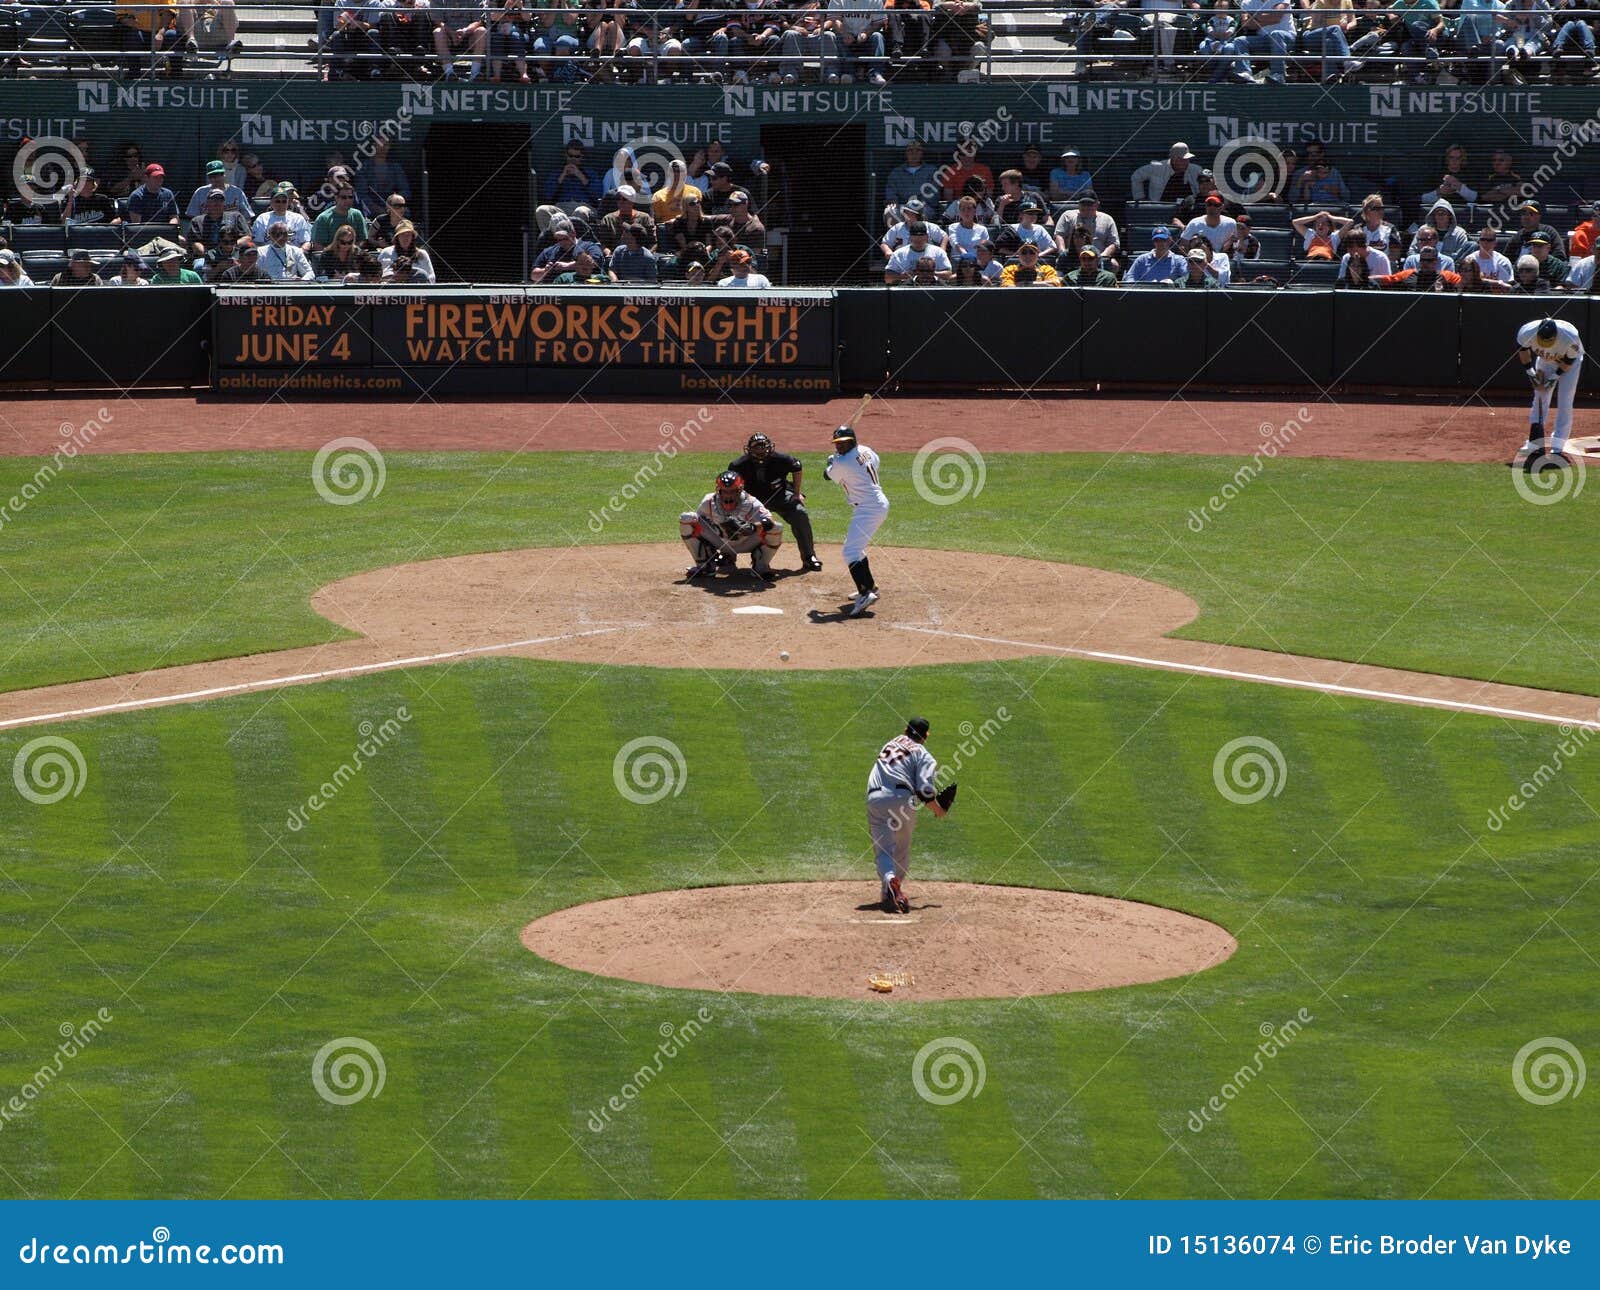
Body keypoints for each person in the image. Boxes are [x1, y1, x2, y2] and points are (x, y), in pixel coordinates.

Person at [865, 717, 946, 915]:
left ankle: (890, 889)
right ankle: (893, 889)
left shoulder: (891, 743)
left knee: (884, 852)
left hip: (875, 798)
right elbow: (925, 790)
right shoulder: (924, 755)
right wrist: (939, 810)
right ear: (926, 736)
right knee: (902, 848)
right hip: (902, 801)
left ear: (905, 729)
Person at [727, 433, 823, 572]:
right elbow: (733, 486)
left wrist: (796, 493)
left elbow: (797, 467)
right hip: (751, 501)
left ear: (770, 448)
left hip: (779, 496)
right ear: (749, 449)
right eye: (757, 448)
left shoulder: (782, 459)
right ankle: (728, 555)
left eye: (763, 447)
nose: (760, 451)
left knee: (800, 513)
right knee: (731, 517)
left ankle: (809, 557)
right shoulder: (738, 465)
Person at [824, 422, 887, 617]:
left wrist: (831, 462)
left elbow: (827, 476)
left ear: (852, 441)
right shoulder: (865, 450)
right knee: (854, 548)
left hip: (869, 508)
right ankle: (870, 587)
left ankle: (865, 593)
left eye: (843, 443)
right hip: (875, 504)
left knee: (850, 551)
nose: (839, 446)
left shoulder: (842, 463)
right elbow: (874, 462)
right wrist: (837, 459)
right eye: (837, 443)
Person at [679, 470, 784, 581]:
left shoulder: (752, 503)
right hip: (720, 541)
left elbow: (769, 521)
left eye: (732, 491)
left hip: (747, 542)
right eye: (725, 491)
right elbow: (698, 522)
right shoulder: (709, 501)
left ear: (740, 490)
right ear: (719, 490)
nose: (728, 495)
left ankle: (760, 567)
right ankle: (705, 565)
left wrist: (752, 527)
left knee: (777, 527)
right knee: (686, 518)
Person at [1511, 317, 1584, 466]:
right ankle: (1534, 441)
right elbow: (1523, 351)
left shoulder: (1570, 337)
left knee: (1565, 401)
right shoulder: (1527, 332)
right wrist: (1531, 374)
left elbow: (1568, 361)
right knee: (1540, 396)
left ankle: (1558, 445)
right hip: (1545, 361)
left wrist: (1553, 379)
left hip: (1569, 363)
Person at [1130, 141, 1200, 202]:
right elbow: (1136, 176)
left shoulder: (1196, 169)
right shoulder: (1156, 167)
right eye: (1181, 159)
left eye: (1187, 159)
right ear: (1173, 159)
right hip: (1160, 209)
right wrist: (1139, 198)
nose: (1185, 162)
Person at [884, 224, 953, 284]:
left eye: (921, 236)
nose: (918, 239)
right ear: (910, 237)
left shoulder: (939, 252)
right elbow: (887, 277)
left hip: (934, 287)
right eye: (915, 236)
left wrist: (931, 273)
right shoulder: (898, 254)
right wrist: (903, 276)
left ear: (926, 236)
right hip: (906, 288)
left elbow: (948, 274)